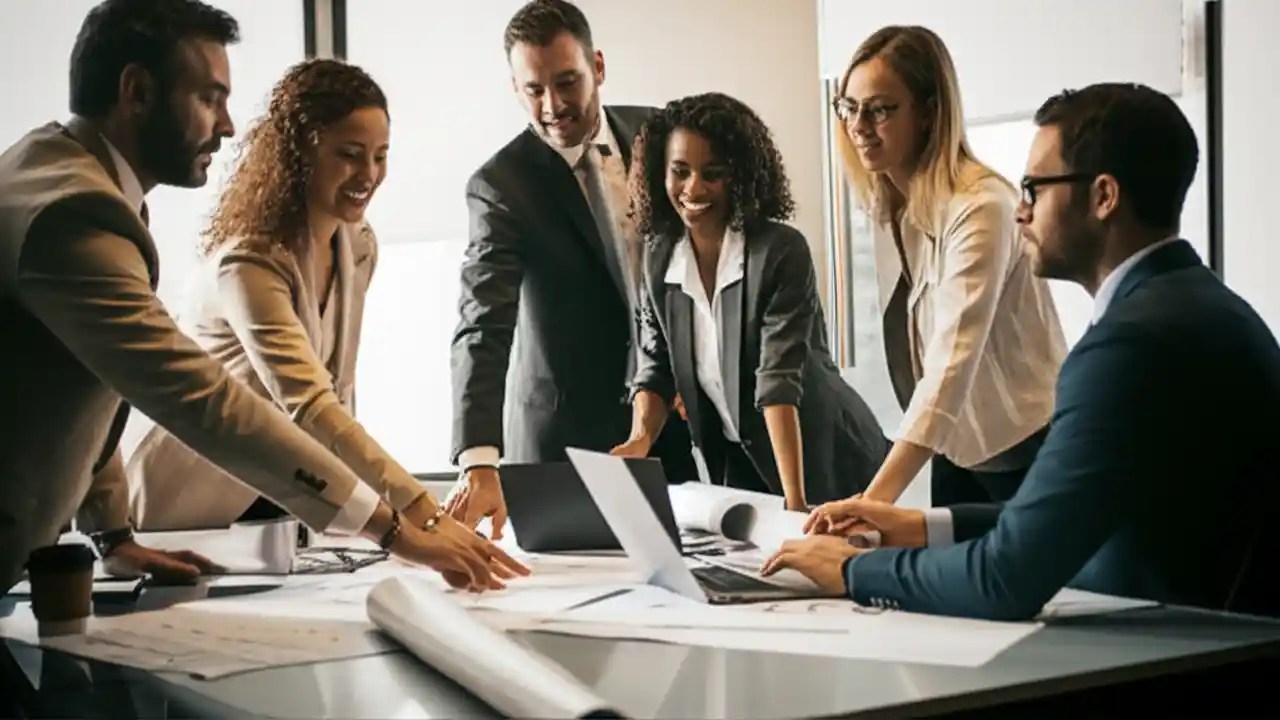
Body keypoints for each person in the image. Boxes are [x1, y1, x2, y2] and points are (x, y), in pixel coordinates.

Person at [0, 0, 525, 595]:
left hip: (253, 514)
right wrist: (398, 526)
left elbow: (94, 377)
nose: (227, 125)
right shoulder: (75, 214)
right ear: (137, 91)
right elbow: (202, 398)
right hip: (181, 510)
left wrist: (111, 536)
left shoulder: (79, 187)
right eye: (209, 98)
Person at [763, 83, 1280, 620]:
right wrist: (919, 525)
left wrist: (853, 570)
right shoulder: (1194, 305)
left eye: (1034, 188)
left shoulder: (1128, 345)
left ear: (1104, 197)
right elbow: (1063, 519)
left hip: (1182, 651)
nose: (1020, 211)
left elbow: (1005, 577)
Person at [126, 58, 439, 532]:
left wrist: (368, 512)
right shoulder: (248, 262)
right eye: (350, 154)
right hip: (190, 503)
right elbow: (310, 404)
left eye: (380, 156)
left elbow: (340, 390)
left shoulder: (358, 246)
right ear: (301, 151)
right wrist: (415, 509)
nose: (368, 174)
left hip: (284, 493)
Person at [446, 0, 694, 532]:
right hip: (563, 445)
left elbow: (699, 260)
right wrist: (478, 459)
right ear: (515, 88)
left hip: (675, 427)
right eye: (533, 89)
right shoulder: (500, 186)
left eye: (567, 82)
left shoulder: (657, 135)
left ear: (597, 67)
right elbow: (482, 324)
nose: (552, 105)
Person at [611, 92, 887, 510]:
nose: (693, 188)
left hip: (821, 457)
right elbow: (656, 367)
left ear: (739, 176)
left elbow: (777, 381)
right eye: (680, 171)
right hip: (741, 463)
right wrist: (640, 440)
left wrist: (796, 502)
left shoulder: (779, 251)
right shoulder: (659, 256)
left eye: (713, 173)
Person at [833, 26, 1066, 507]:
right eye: (849, 107)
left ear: (928, 113)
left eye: (879, 109)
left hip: (1023, 445)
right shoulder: (890, 203)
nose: (858, 125)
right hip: (957, 445)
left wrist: (873, 503)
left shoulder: (981, 206)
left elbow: (949, 364)